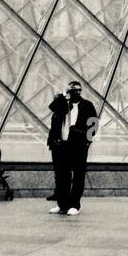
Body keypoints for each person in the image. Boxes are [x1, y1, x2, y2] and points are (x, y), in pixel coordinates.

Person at [47, 80, 97, 216]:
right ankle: (62, 204)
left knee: (78, 175)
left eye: (77, 90)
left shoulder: (87, 105)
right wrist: (63, 96)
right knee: (61, 176)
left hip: (78, 145)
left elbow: (93, 124)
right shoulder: (63, 104)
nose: (75, 93)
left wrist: (87, 141)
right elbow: (52, 107)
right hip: (59, 144)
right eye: (72, 90)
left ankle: (75, 204)